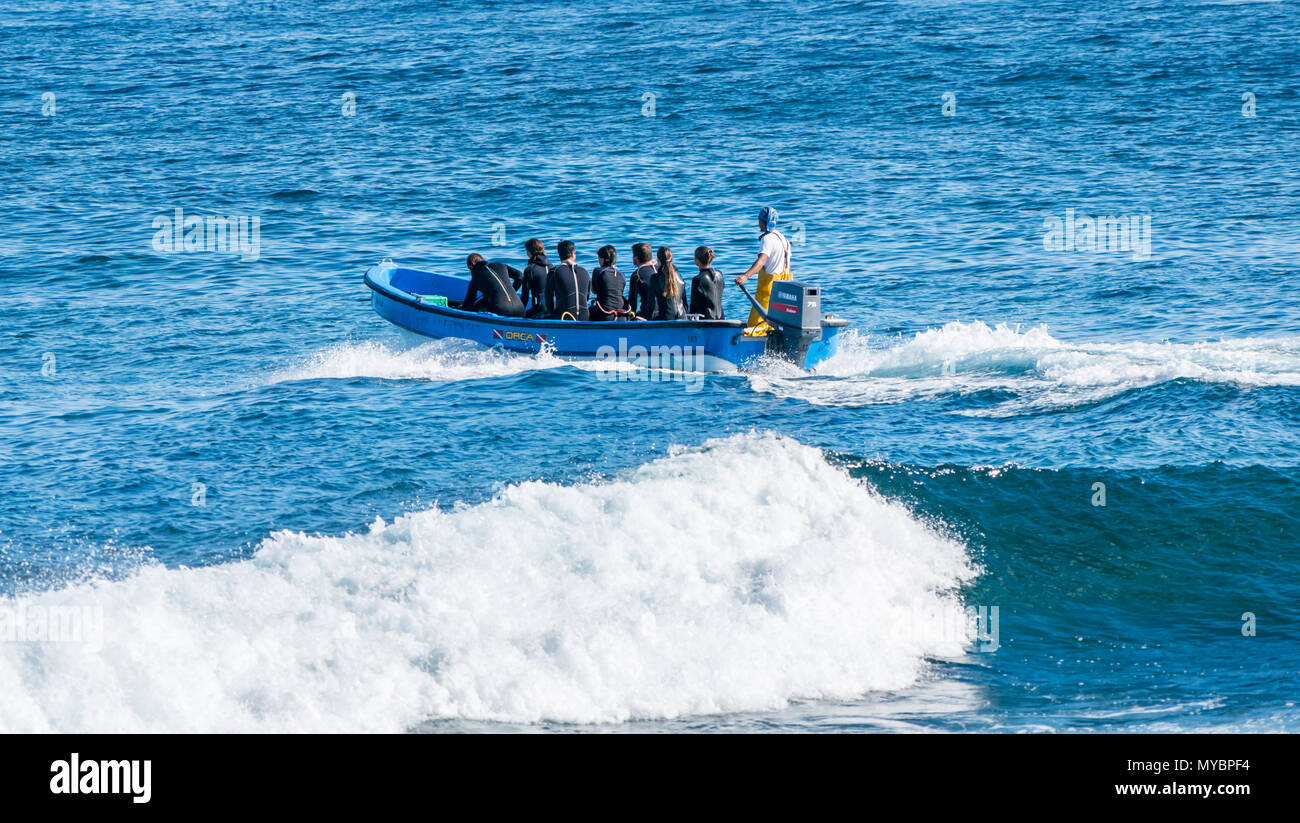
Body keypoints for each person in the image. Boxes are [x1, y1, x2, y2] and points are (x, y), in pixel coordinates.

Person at [733, 205, 792, 334]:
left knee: (755, 327)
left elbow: (762, 261)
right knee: (774, 327)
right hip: (783, 292)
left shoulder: (767, 239)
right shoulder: (784, 240)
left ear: (763, 221)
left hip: (768, 293)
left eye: (759, 220)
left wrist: (746, 275)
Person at [463, 253, 525, 317]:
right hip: (520, 309)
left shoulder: (476, 278)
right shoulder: (501, 265)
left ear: (471, 267)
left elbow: (468, 304)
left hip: (501, 311)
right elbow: (520, 276)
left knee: (478, 305)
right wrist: (513, 291)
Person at [545, 240, 590, 320]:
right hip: (585, 317)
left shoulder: (554, 271)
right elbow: (586, 297)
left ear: (559, 254)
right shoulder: (585, 272)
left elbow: (549, 299)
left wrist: (550, 313)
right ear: (573, 254)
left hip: (564, 316)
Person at [589, 245, 628, 321]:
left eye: (599, 258)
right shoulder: (621, 274)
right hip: (621, 314)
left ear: (602, 259)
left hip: (604, 314)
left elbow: (594, 291)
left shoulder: (598, 271)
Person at [649, 246, 687, 320]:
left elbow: (651, 304)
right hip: (683, 317)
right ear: (671, 259)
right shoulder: (679, 276)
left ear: (658, 260)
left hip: (665, 319)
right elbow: (684, 303)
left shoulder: (655, 278)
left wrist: (648, 320)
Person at [689, 246, 725, 320]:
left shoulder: (697, 279)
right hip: (721, 318)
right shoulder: (720, 275)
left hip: (706, 320)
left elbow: (694, 305)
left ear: (696, 261)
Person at [520, 238, 551, 318]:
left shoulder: (530, 269)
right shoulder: (552, 266)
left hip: (539, 309)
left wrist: (520, 313)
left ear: (529, 252)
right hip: (554, 308)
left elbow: (525, 296)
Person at [627, 242, 656, 319]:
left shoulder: (636, 275)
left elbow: (632, 304)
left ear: (636, 258)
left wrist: (630, 318)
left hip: (649, 315)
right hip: (665, 313)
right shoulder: (661, 269)